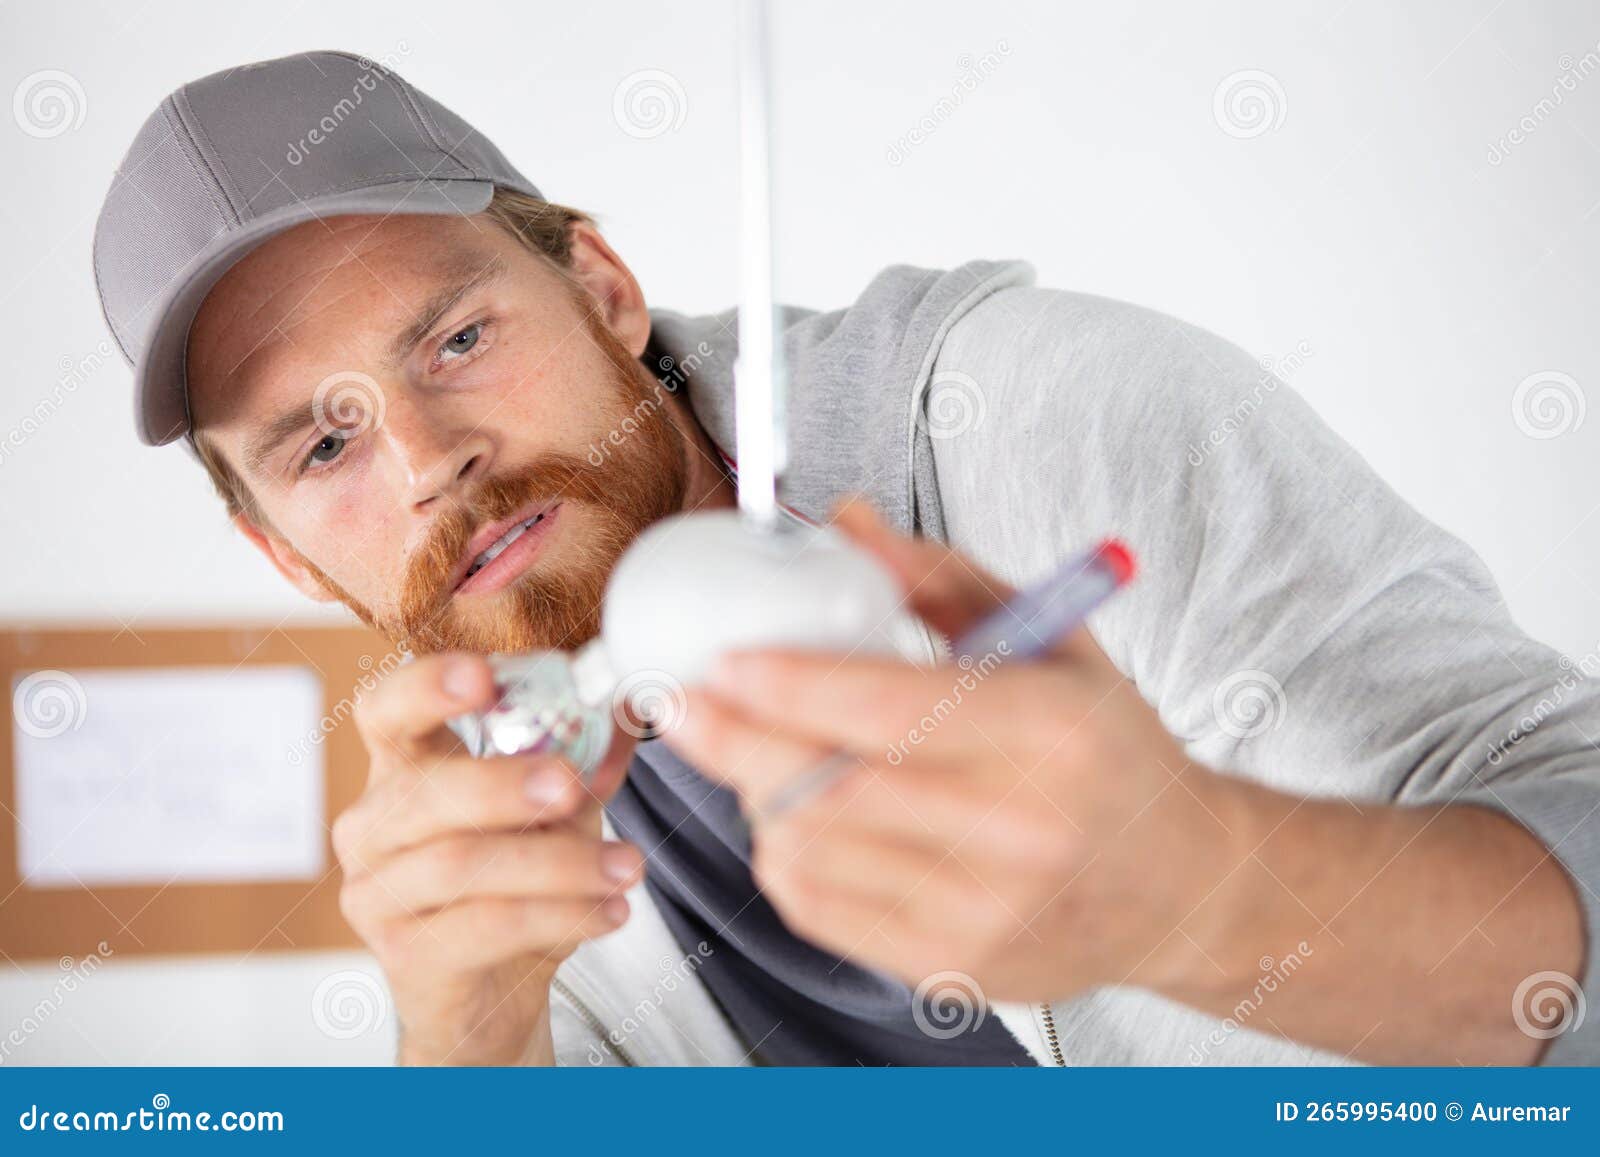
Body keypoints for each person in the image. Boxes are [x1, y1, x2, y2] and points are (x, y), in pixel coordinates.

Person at [92, 51, 1596, 1067]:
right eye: (323, 448)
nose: (429, 461)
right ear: (285, 559)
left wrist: (1206, 896)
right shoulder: (481, 833)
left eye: (459, 339)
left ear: (604, 291)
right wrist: (466, 1043)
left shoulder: (1048, 420)